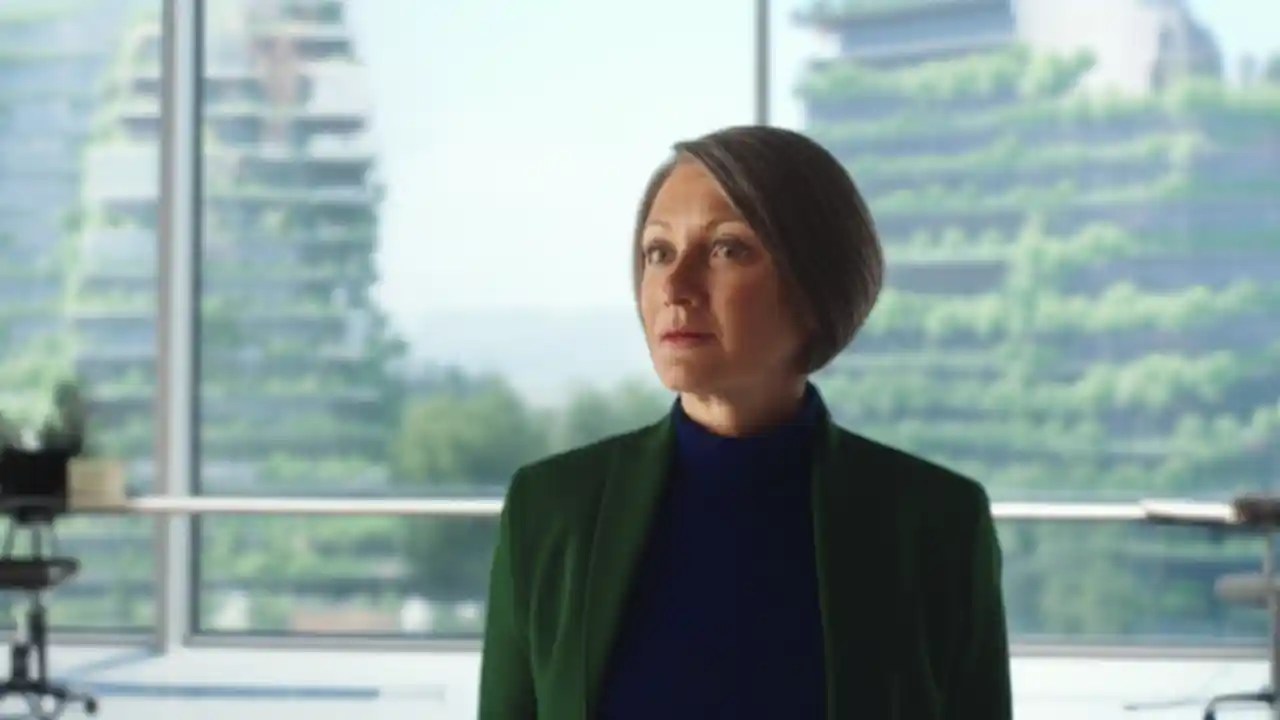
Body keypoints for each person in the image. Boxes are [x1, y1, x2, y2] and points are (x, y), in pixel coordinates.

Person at [478, 125, 1011, 719]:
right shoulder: (552, 509)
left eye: (727, 249)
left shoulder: (937, 524)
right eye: (659, 252)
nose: (675, 287)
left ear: (816, 284)